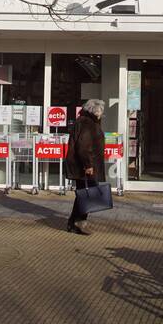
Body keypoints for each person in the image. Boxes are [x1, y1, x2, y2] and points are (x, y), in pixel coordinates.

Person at [64, 99, 106, 235]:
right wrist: (88, 165)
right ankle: (80, 222)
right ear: (95, 111)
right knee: (88, 194)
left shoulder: (84, 121)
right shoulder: (87, 123)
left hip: (82, 165)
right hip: (85, 166)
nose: (101, 114)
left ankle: (73, 222)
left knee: (83, 193)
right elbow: (84, 146)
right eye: (100, 111)